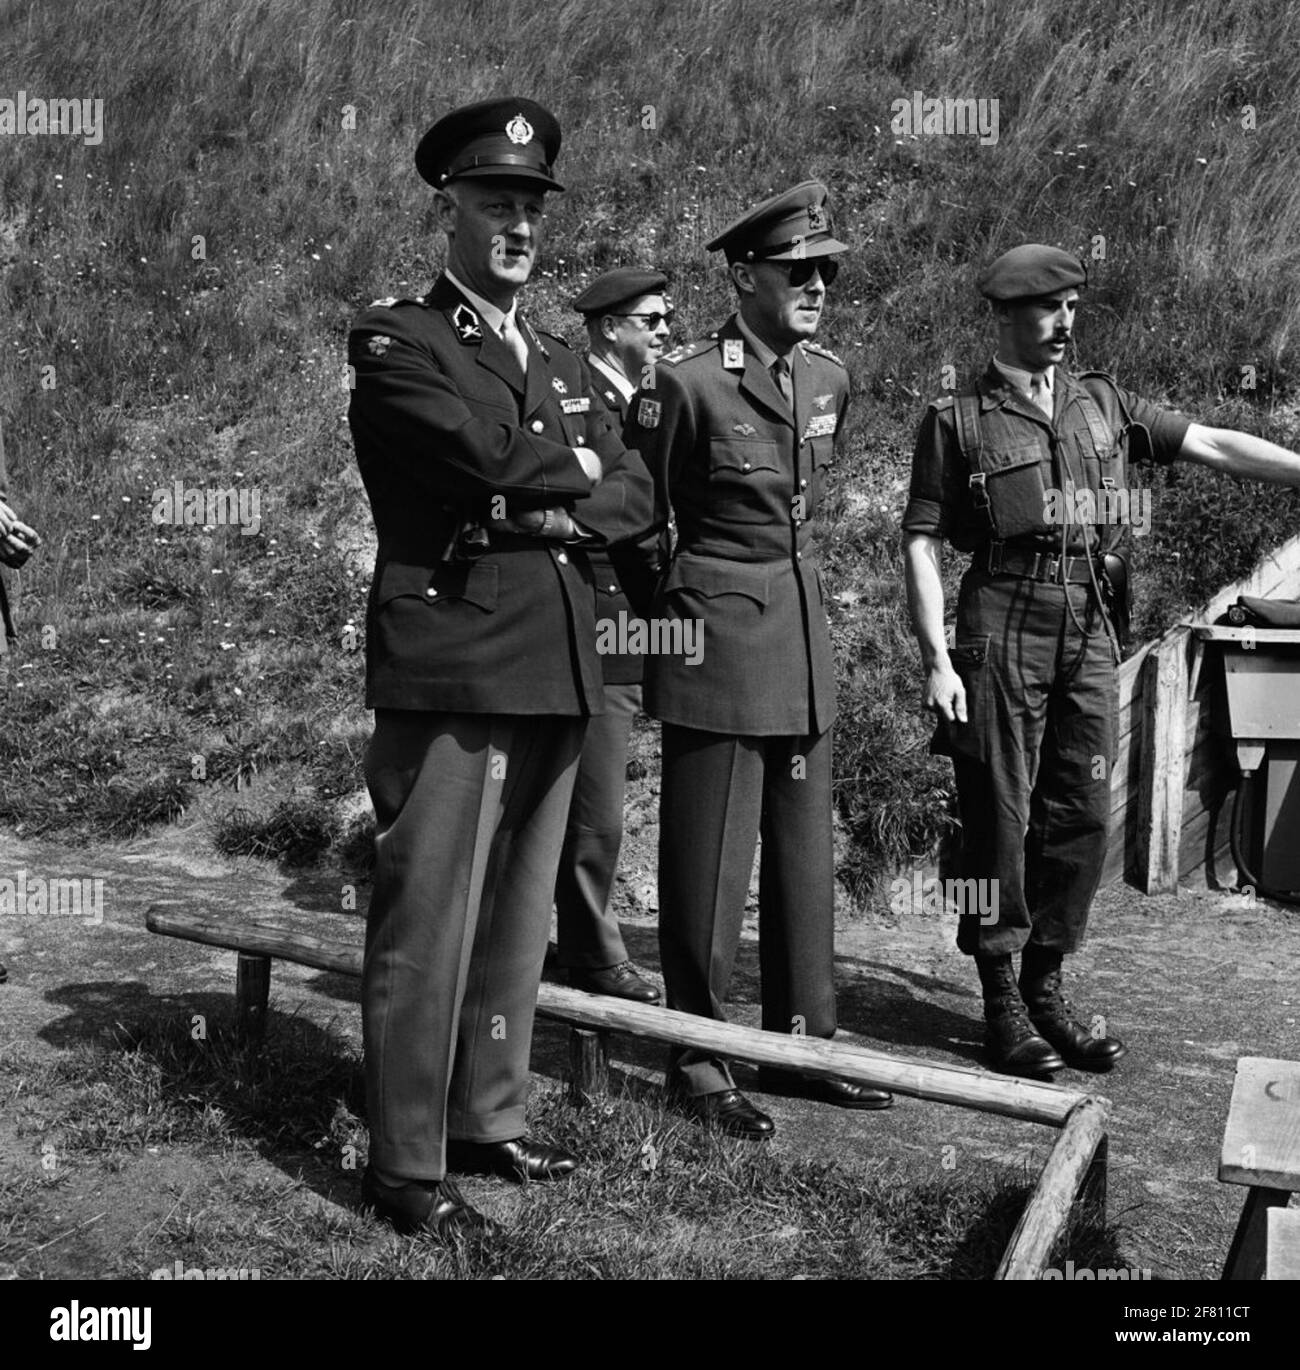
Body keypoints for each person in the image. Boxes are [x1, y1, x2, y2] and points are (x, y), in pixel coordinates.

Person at [347, 97, 653, 1239]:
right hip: (457, 657)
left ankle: (487, 1114)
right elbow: (475, 452)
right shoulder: (398, 337)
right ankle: (405, 1164)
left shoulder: (569, 353)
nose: (517, 225)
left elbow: (633, 488)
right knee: (430, 919)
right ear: (449, 211)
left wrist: (549, 499)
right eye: (495, 204)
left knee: (519, 918)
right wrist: (568, 484)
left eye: (530, 206)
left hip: (558, 656)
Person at [902, 243, 1300, 1078]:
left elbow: (1215, 445)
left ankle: (1048, 983)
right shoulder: (959, 419)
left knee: (1081, 810)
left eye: (1073, 307)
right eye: (1048, 309)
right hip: (1001, 619)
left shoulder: (1100, 404)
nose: (1064, 323)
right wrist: (937, 658)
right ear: (1006, 314)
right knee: (1000, 812)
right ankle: (1001, 999)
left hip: (1087, 624)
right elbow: (924, 540)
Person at [625, 181, 894, 1140]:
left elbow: (801, 516)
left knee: (802, 859)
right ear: (745, 277)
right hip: (719, 645)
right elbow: (636, 523)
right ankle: (697, 1060)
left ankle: (803, 1045)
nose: (816, 284)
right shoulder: (685, 384)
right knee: (708, 866)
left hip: (802, 641)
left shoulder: (827, 379)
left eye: (825, 270)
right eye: (796, 270)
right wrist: (686, 613)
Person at [548, 267, 673, 1004]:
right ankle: (592, 954)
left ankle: (555, 939)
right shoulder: (575, 397)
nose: (663, 331)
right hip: (597, 612)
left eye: (665, 318)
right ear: (607, 329)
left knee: (596, 794)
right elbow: (606, 498)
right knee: (595, 804)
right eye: (649, 319)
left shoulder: (653, 400)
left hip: (645, 615)